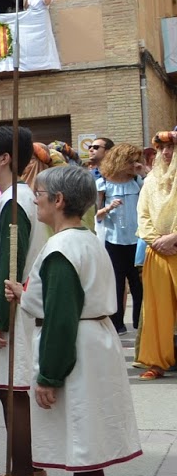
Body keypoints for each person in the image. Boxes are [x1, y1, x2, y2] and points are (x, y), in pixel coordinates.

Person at [5, 165, 142, 476]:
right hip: (96, 344)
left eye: (41, 192)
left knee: (84, 450)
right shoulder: (85, 240)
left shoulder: (61, 247)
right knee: (91, 448)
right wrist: (25, 293)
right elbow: (58, 298)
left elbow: (62, 316)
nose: (35, 197)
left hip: (77, 351)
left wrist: (49, 375)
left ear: (59, 200)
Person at [0, 128, 48, 476]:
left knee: (12, 389)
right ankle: (32, 465)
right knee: (12, 388)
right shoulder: (13, 197)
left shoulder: (13, 200)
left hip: (13, 303)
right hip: (17, 301)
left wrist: (0, 316)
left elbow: (11, 260)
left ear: (5, 158)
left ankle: (21, 474)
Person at [136, 136, 176, 378]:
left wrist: (174, 238)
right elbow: (143, 217)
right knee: (157, 311)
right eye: (163, 148)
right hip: (158, 252)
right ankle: (156, 362)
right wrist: (157, 241)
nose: (167, 152)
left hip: (170, 245)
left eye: (172, 147)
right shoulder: (151, 181)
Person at [97, 143, 144, 335]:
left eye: (136, 160)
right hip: (113, 240)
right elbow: (96, 215)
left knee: (138, 284)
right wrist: (109, 208)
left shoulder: (138, 182)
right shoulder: (104, 183)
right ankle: (117, 324)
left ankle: (140, 323)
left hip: (136, 240)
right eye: (130, 160)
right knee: (116, 284)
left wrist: (144, 171)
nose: (134, 164)